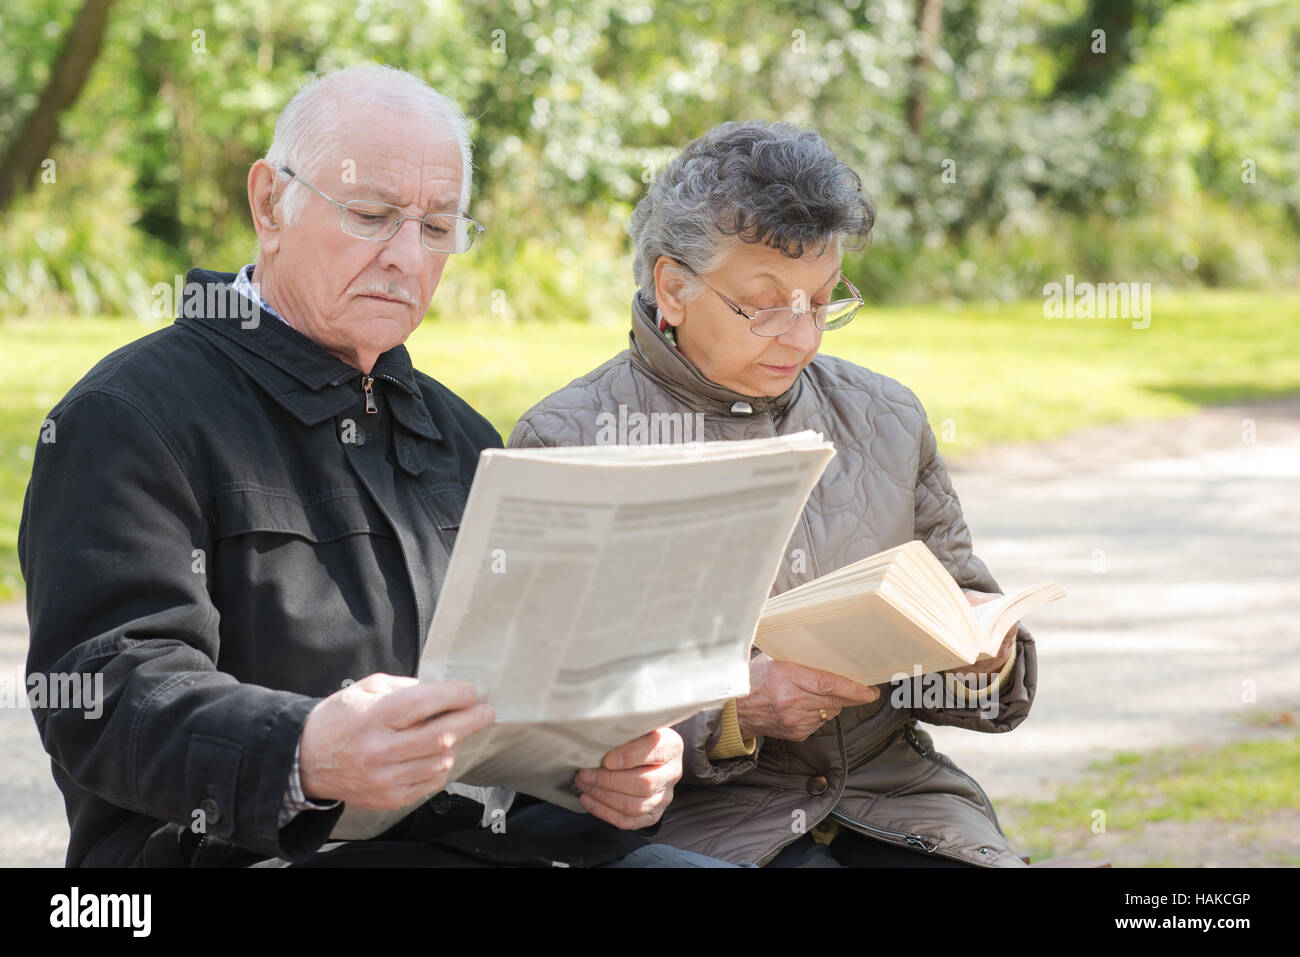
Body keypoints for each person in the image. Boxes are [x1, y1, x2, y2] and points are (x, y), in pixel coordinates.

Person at [19, 65, 722, 868]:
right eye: (372, 214)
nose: (404, 257)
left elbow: (525, 687)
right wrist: (303, 752)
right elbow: (102, 692)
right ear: (268, 204)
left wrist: (609, 764)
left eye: (435, 227)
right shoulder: (130, 416)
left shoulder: (457, 433)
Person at [508, 120, 1037, 867]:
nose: (803, 337)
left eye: (823, 301)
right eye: (765, 304)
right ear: (673, 287)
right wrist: (733, 711)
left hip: (893, 802)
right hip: (704, 826)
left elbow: (961, 673)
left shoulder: (887, 415)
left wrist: (987, 661)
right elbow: (538, 716)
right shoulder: (570, 439)